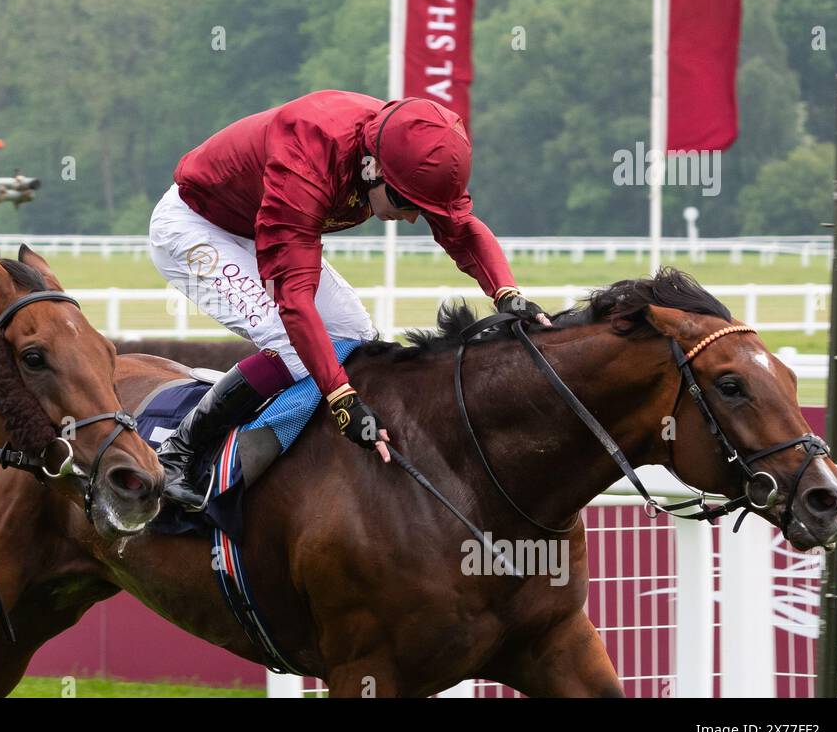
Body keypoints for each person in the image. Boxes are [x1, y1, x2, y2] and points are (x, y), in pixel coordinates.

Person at [147, 90, 550, 510]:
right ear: (373, 169)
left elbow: (462, 229)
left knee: (358, 336)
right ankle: (178, 452)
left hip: (259, 222)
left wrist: (508, 294)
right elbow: (295, 302)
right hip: (195, 227)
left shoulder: (406, 152)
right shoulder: (307, 159)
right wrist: (343, 400)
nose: (413, 217)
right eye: (406, 202)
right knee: (290, 343)